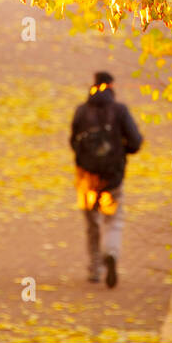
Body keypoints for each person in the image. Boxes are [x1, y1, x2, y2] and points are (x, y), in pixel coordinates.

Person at [69, 71, 142, 287]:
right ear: (112, 86)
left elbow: (73, 142)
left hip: (86, 178)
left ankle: (94, 268)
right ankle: (110, 252)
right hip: (113, 177)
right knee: (113, 221)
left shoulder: (81, 111)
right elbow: (136, 142)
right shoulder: (120, 111)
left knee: (92, 224)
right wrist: (121, 151)